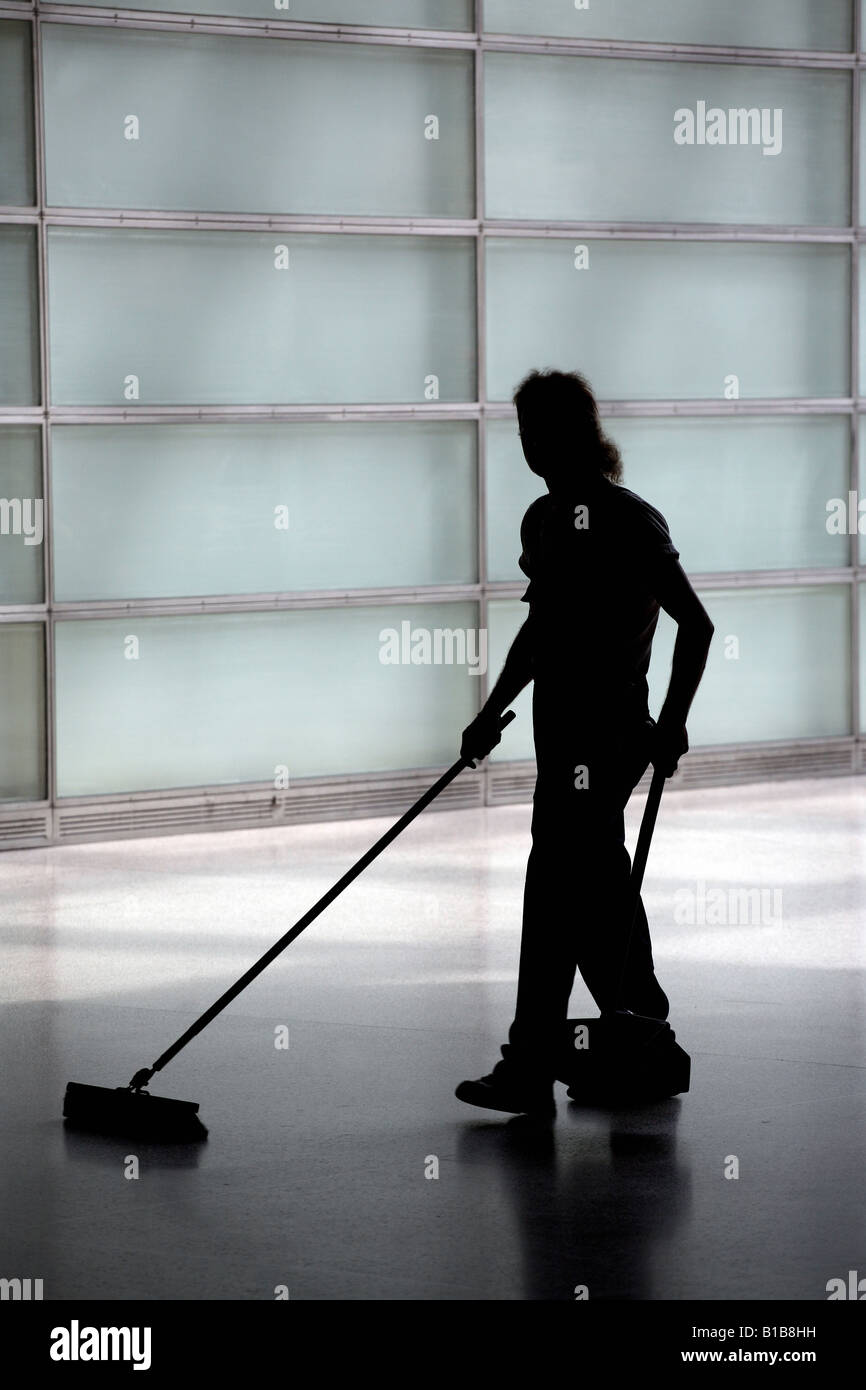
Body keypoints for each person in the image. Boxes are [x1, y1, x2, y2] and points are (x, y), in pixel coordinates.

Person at [456, 369, 714, 1118]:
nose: (528, 447)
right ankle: (645, 1039)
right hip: (557, 740)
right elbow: (539, 636)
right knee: (596, 892)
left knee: (556, 892)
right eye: (521, 433)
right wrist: (490, 712)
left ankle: (532, 1063)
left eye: (536, 432)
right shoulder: (543, 522)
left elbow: (694, 624)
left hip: (604, 745)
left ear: (572, 435)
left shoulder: (631, 521)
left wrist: (672, 721)